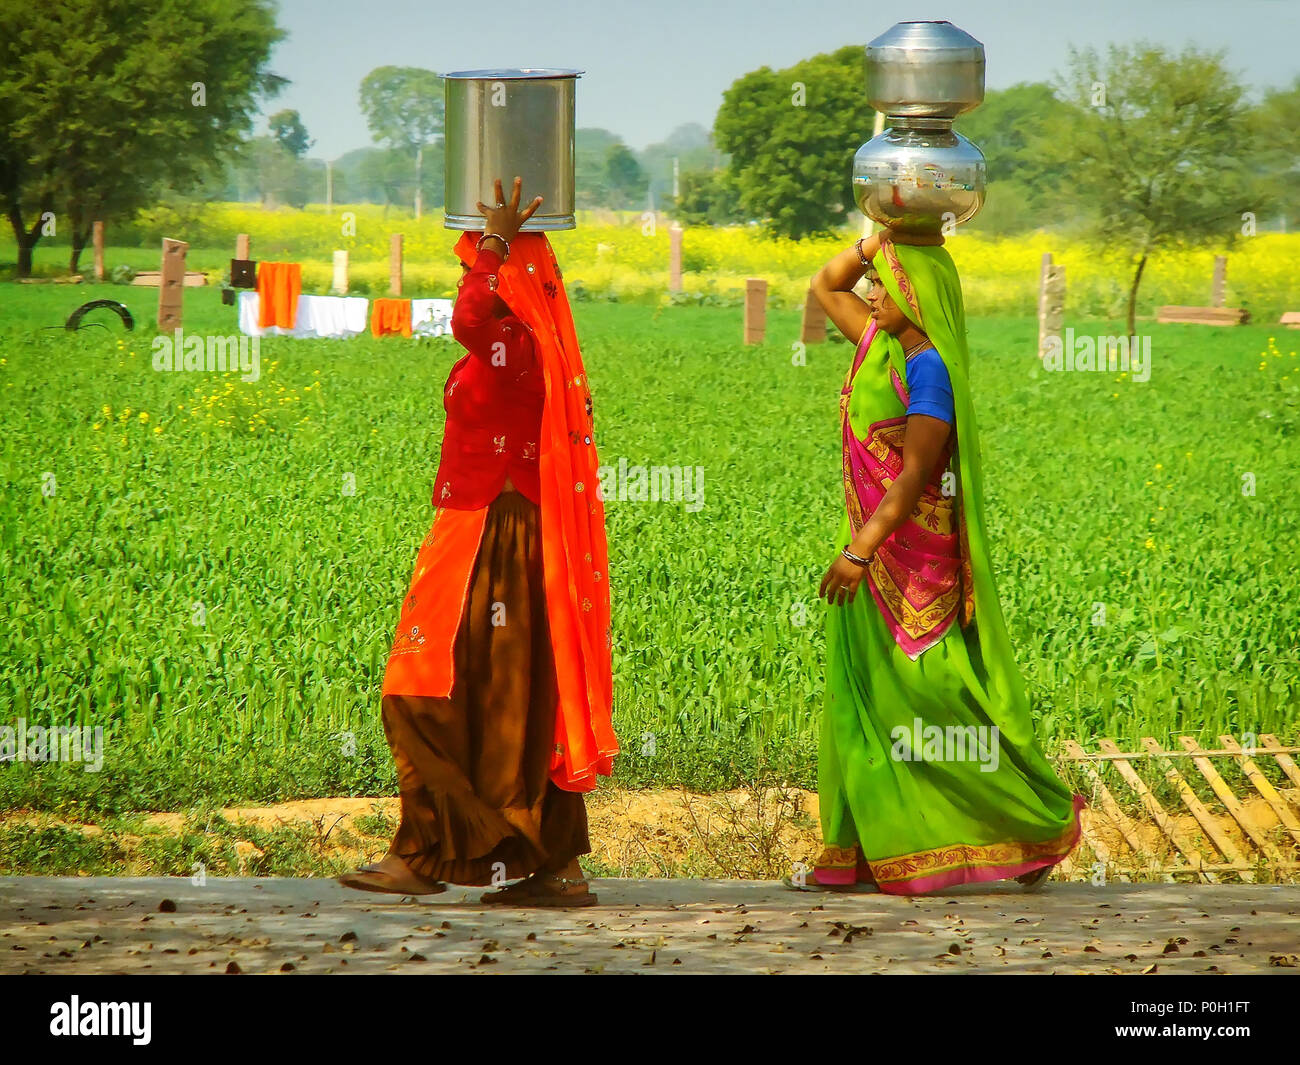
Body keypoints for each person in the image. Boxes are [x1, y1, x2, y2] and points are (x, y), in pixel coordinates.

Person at [340, 178, 616, 907]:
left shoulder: (516, 343)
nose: (468, 274)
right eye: (469, 260)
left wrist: (492, 242)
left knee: (425, 690)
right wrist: (493, 251)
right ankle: (555, 866)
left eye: (476, 264)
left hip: (494, 528)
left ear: (514, 283)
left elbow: (467, 317)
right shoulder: (528, 342)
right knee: (513, 697)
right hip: (493, 524)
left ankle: (425, 854)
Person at [798, 228, 1084, 895]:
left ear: (916, 294)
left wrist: (858, 551)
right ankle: (870, 849)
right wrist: (873, 241)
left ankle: (1037, 823)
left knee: (935, 707)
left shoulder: (928, 368)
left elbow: (916, 472)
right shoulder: (878, 344)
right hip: (868, 563)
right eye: (875, 281)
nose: (871, 292)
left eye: (888, 282)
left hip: (906, 570)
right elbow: (823, 285)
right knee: (862, 703)